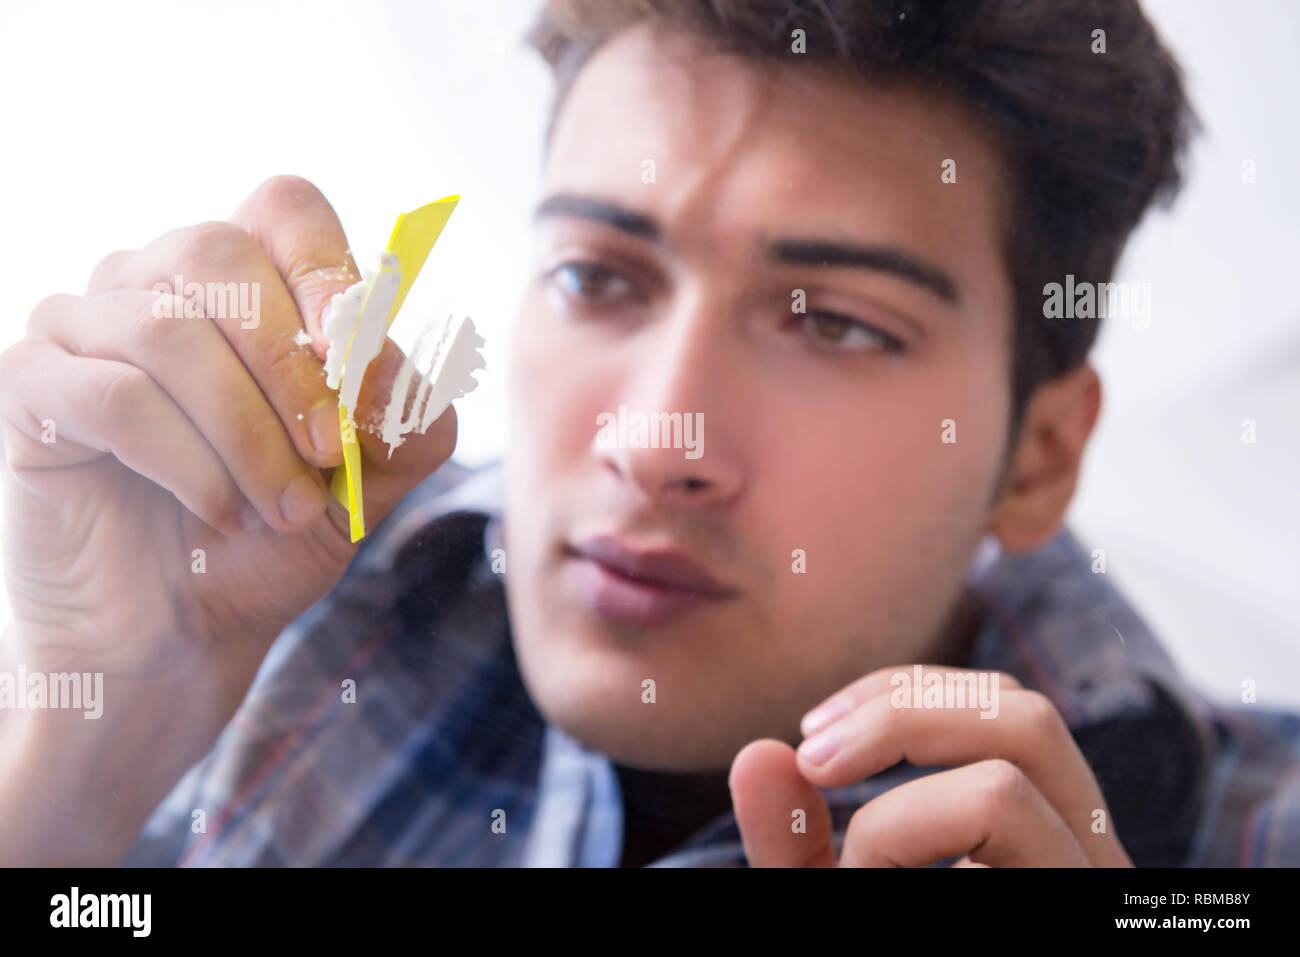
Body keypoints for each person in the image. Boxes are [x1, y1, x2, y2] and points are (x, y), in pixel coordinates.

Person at [2, 0, 1297, 868]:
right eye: (598, 276)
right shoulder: (260, 595)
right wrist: (90, 758)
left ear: (1040, 456)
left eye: (834, 323)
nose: (652, 438)